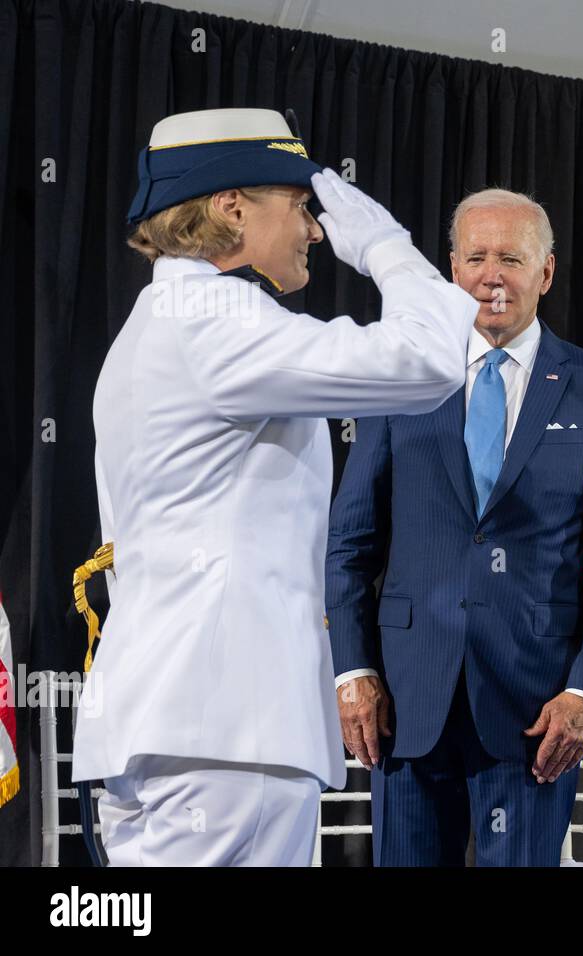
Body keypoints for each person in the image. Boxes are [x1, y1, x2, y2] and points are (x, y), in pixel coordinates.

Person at [70, 107, 479, 866]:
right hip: (229, 735)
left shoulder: (149, 323)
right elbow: (427, 360)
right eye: (298, 205)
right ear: (231, 208)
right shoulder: (215, 317)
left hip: (170, 728)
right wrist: (386, 246)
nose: (317, 230)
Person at [326, 188, 583, 866]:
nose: (491, 276)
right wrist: (352, 667)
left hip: (538, 711)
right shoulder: (402, 376)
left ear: (546, 272)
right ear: (451, 267)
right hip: (406, 705)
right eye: (475, 257)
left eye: (511, 257)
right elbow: (350, 543)